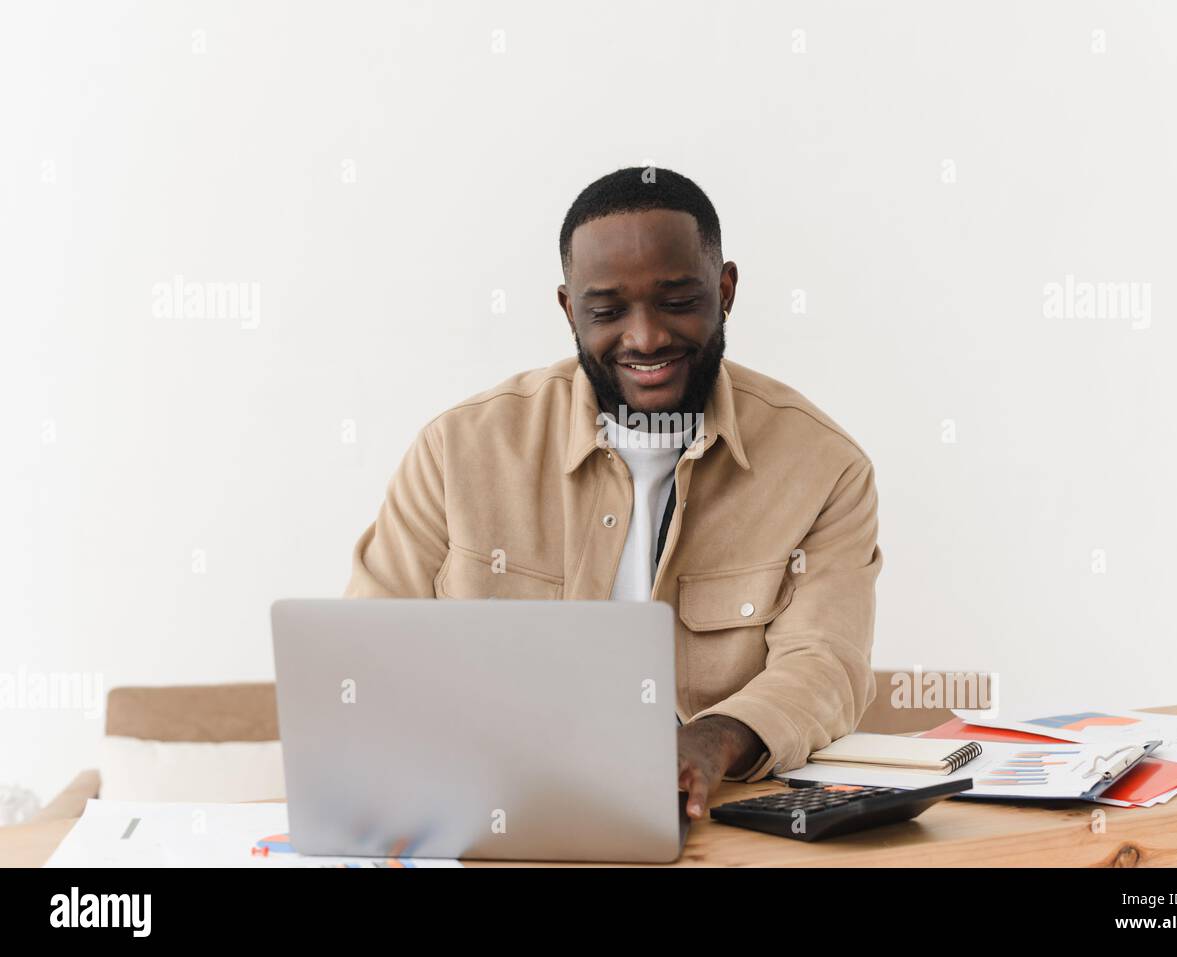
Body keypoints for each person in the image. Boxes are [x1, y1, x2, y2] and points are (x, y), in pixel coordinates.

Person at [346, 166, 883, 819]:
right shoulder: (457, 451)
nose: (646, 337)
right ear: (569, 310)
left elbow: (824, 666)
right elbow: (367, 653)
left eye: (677, 301)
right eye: (606, 311)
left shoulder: (823, 466)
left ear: (725, 290)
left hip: (710, 820)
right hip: (487, 811)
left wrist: (712, 740)